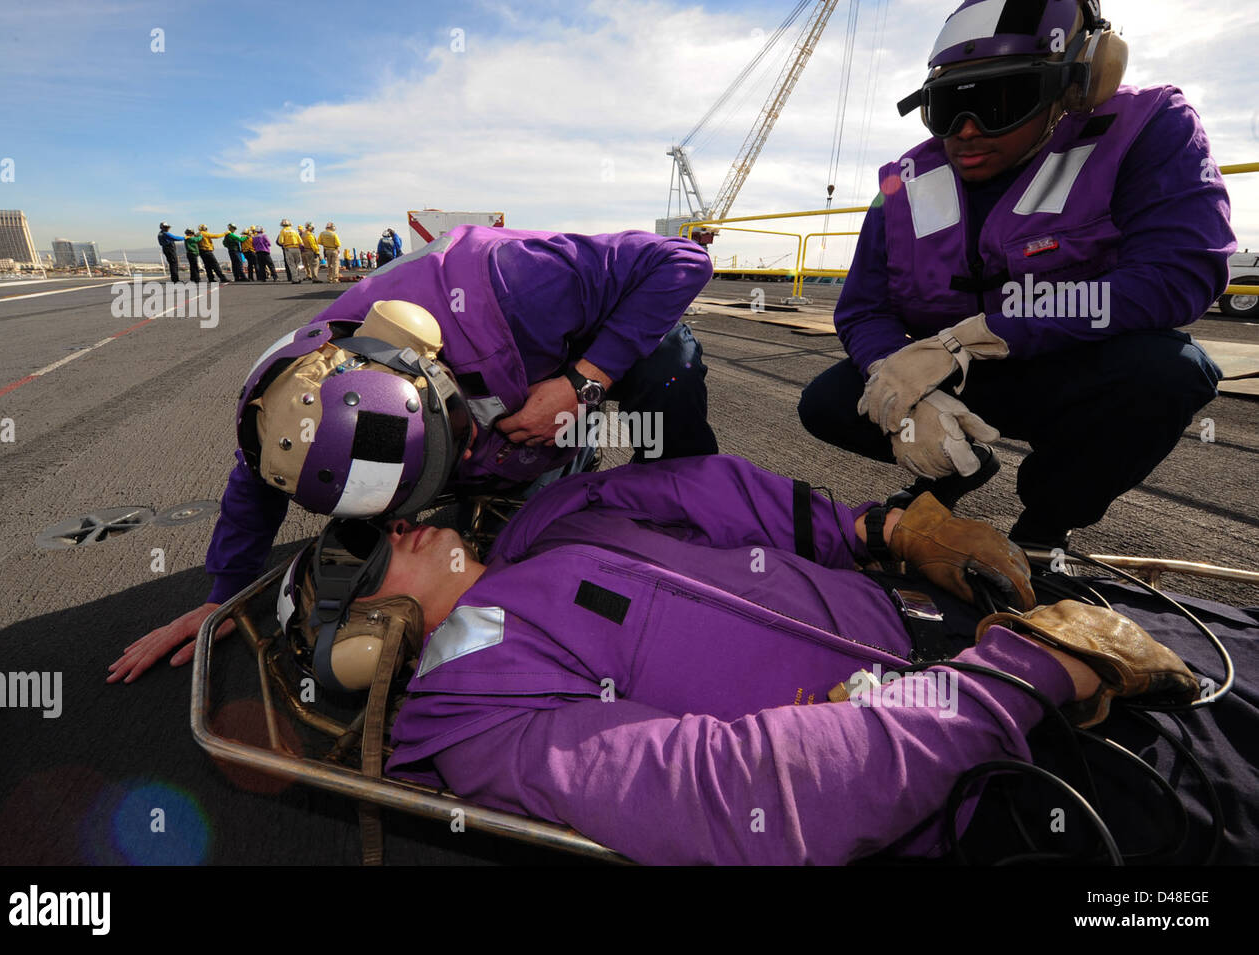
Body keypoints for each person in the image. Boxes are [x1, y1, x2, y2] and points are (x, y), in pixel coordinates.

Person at [276, 454, 1230, 865]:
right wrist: (1017, 678)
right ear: (359, 641)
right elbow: (741, 794)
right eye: (361, 552)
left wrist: (890, 526)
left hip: (990, 620)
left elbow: (723, 495)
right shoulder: (480, 709)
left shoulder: (555, 517)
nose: (397, 524)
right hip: (1014, 753)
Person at [111, 226, 720, 681]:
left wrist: (583, 382)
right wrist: (222, 597)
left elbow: (682, 260)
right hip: (487, 381)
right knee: (524, 525)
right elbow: (252, 493)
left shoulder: (521, 282)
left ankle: (685, 498)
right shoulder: (287, 416)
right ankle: (527, 473)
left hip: (560, 352)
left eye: (452, 442)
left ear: (428, 372)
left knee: (668, 360)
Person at [796, 0, 1232, 549]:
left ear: (1074, 87)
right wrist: (902, 381)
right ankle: (952, 467)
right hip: (951, 369)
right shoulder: (906, 181)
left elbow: (1178, 273)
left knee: (1169, 374)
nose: (968, 131)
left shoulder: (1146, 128)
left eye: (1002, 101)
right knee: (832, 402)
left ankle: (1046, 526)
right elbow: (864, 307)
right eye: (948, 107)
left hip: (1078, 368)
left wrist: (986, 335)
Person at [278, 219, 303, 284]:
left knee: (291, 264)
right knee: (297, 264)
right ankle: (298, 277)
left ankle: (295, 279)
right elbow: (300, 241)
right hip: (297, 248)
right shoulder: (294, 231)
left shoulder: (283, 231)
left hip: (289, 249)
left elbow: (281, 241)